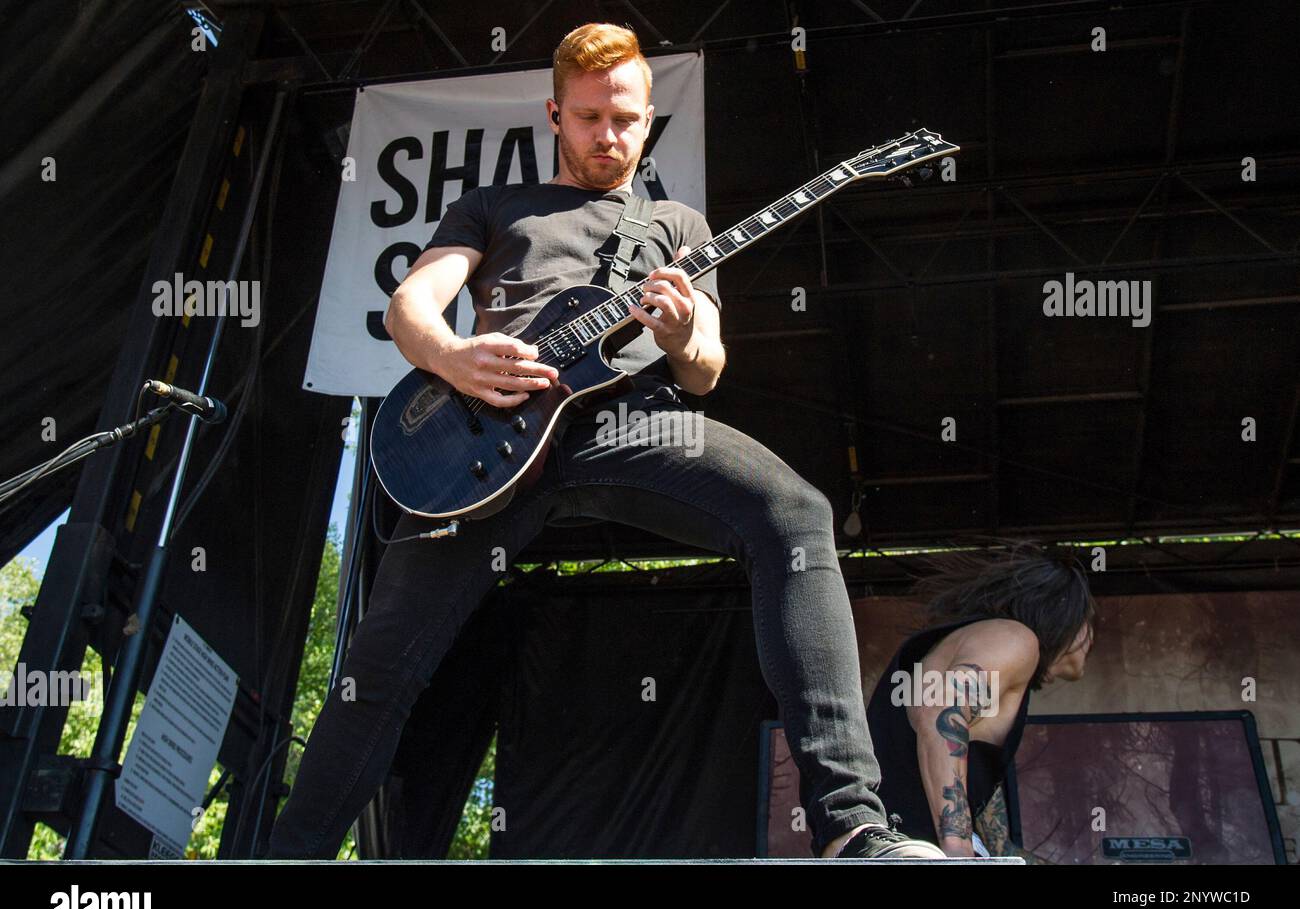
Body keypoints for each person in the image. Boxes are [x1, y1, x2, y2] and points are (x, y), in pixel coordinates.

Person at [268, 21, 942, 861]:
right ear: (555, 113)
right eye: (589, 118)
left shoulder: (677, 225)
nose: (608, 136)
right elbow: (410, 305)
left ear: (651, 117)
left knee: (797, 515)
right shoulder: (495, 206)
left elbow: (706, 371)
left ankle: (852, 829)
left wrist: (683, 333)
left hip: (631, 423)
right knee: (377, 671)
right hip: (490, 443)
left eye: (626, 119)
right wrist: (451, 354)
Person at [863, 541, 1097, 861]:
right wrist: (959, 849)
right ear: (1067, 616)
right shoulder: (1016, 639)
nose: (1091, 637)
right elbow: (940, 714)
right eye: (1088, 621)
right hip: (911, 850)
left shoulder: (987, 645)